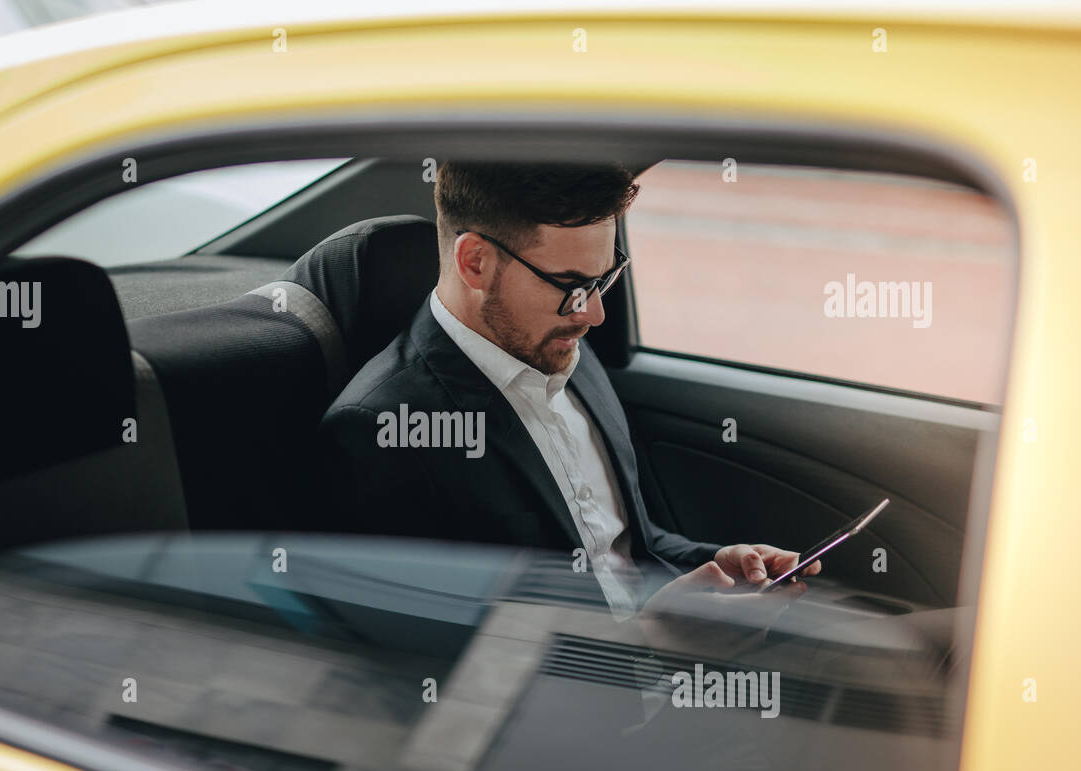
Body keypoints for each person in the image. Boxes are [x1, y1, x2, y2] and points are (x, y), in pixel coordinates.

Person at [316, 161, 818, 618]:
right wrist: (650, 644)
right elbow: (429, 664)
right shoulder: (382, 432)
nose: (593, 314)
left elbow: (620, 546)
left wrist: (717, 565)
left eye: (605, 280)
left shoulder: (566, 351)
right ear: (475, 262)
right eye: (571, 286)